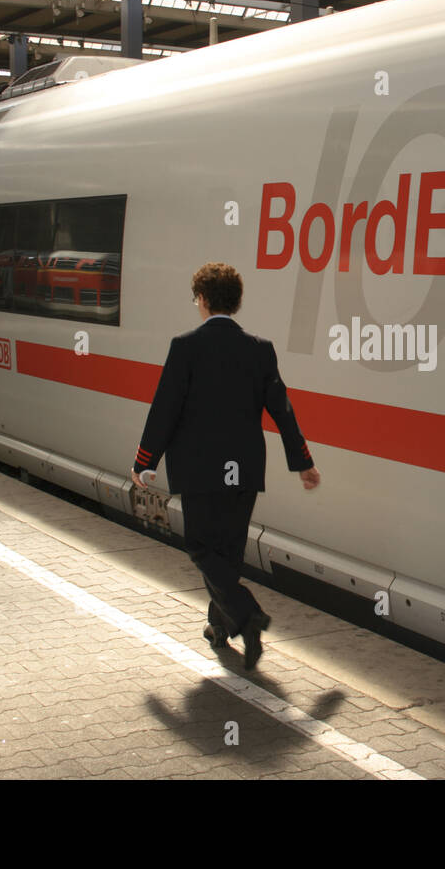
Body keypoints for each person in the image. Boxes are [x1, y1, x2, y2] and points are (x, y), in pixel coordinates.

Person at [131, 262, 320, 669]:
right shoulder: (259, 348)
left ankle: (248, 615)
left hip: (200, 469)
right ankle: (221, 629)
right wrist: (302, 461)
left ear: (201, 299)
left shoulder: (185, 346)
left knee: (201, 546)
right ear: (236, 302)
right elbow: (281, 409)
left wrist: (145, 462)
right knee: (228, 554)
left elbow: (165, 408)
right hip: (245, 469)